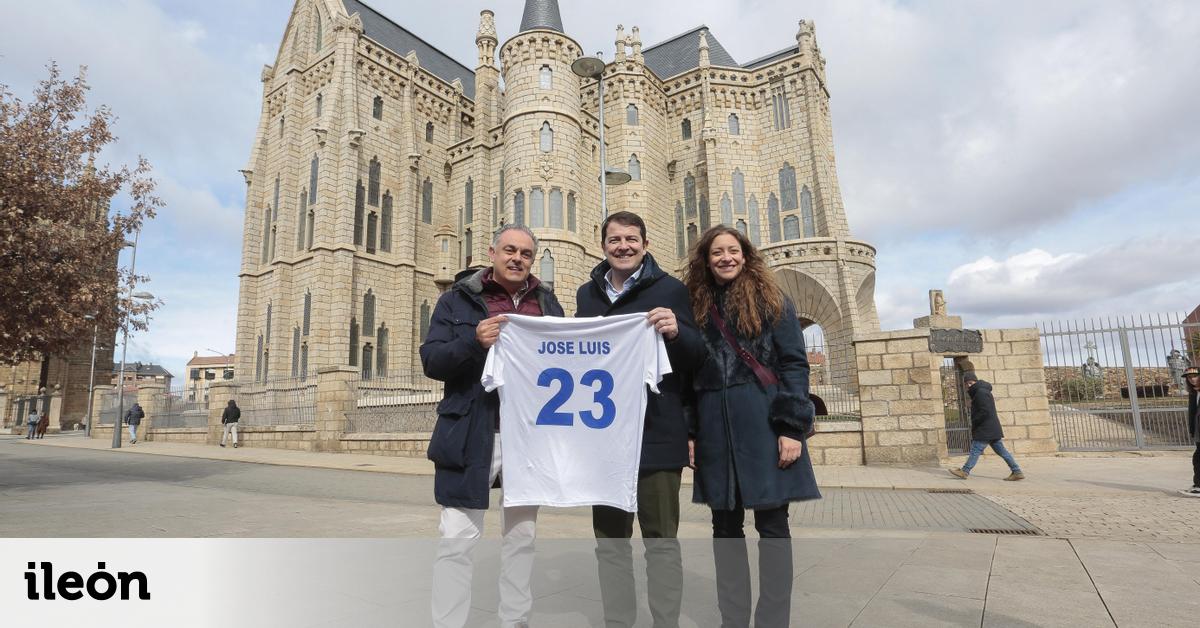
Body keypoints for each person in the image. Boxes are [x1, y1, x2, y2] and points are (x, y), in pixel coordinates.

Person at [422, 225, 564, 628]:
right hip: (471, 431)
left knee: (521, 541)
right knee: (457, 540)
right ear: (492, 252)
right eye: (509, 250)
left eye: (525, 253)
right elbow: (432, 361)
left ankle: (514, 622)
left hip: (528, 437)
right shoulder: (456, 300)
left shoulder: (547, 303)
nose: (517, 258)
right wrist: (473, 343)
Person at [682, 226, 821, 628]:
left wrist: (792, 428)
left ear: (745, 255)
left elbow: (794, 363)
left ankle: (773, 621)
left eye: (732, 250)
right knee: (724, 528)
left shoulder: (772, 299)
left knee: (772, 526)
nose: (725, 258)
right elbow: (687, 376)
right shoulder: (695, 306)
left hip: (763, 420)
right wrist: (691, 433)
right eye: (716, 252)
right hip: (713, 425)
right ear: (705, 260)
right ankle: (733, 619)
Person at [575, 211, 705, 627]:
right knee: (610, 543)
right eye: (615, 240)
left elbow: (695, 359)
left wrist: (677, 331)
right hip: (604, 439)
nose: (624, 246)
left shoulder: (671, 290)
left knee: (661, 542)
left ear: (645, 245)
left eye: (632, 239)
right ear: (604, 246)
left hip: (656, 435)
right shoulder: (586, 296)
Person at [949, 372, 1024, 481]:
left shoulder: (980, 392)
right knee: (1002, 451)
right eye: (967, 384)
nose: (969, 385)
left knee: (976, 449)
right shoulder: (981, 391)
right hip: (991, 428)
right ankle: (1017, 471)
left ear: (975, 381)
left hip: (985, 428)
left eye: (970, 383)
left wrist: (975, 420)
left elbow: (985, 411)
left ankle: (965, 471)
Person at [1179, 366, 1200, 497]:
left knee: (1198, 458)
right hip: (1198, 430)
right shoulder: (1194, 393)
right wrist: (1192, 430)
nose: (1192, 379)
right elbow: (1192, 413)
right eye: (1189, 377)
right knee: (1197, 458)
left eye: (1195, 376)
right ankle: (1197, 485)